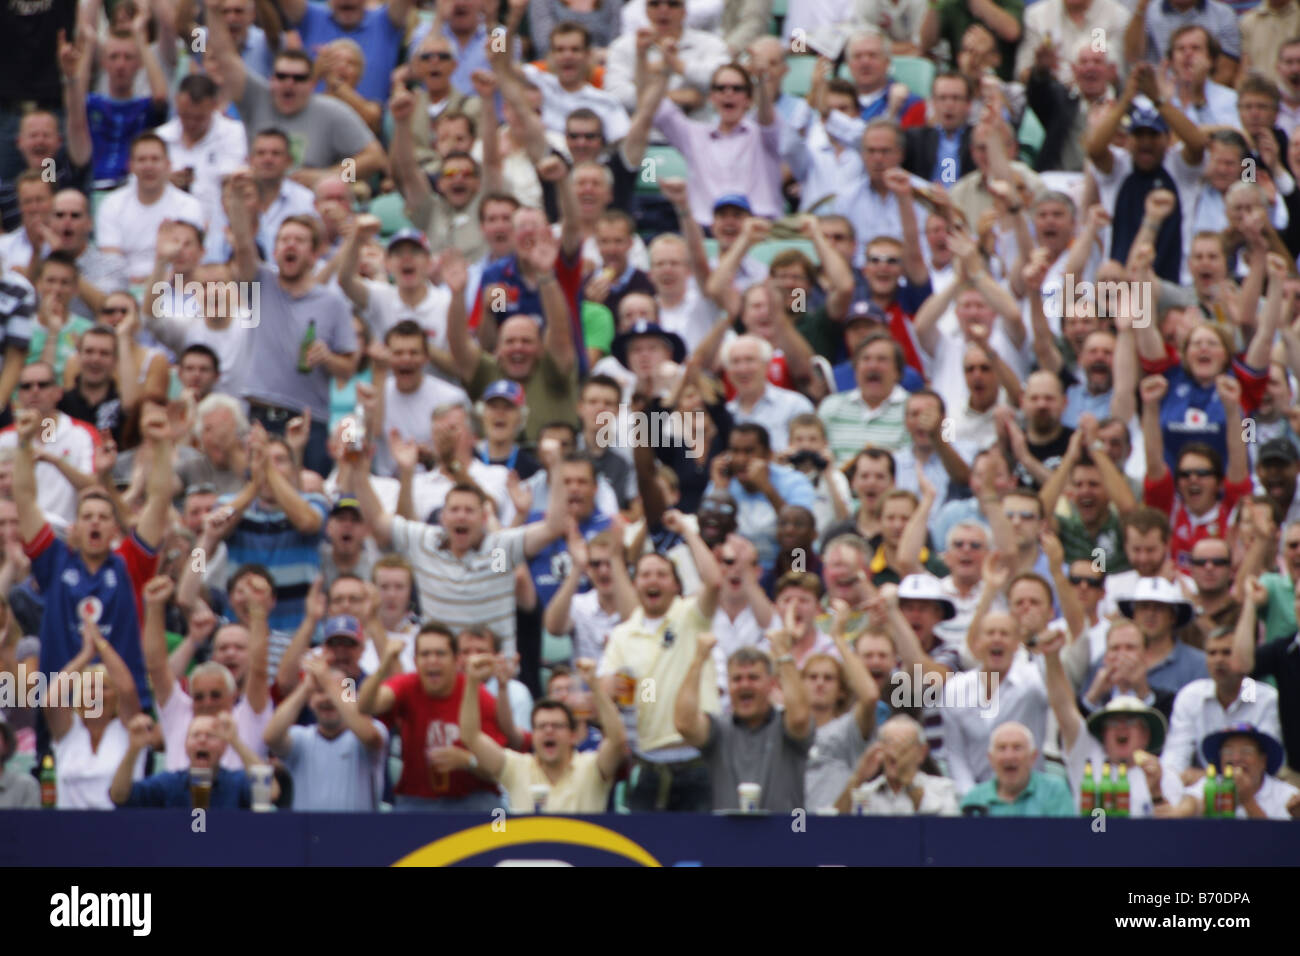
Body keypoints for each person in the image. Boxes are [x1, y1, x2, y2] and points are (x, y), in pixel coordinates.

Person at [358, 624, 507, 811]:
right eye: (425, 654)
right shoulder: (408, 685)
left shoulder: (478, 695)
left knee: (496, 816)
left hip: (473, 798)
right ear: (415, 661)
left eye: (440, 654)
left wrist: (467, 761)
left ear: (456, 660)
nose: (432, 661)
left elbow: (497, 770)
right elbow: (365, 706)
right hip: (417, 801)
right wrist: (385, 664)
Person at [1041, 630, 1183, 817]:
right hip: (1090, 841)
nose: (1121, 727)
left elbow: (1171, 833)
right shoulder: (1087, 756)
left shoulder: (1164, 776)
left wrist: (1156, 791)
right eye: (1113, 722)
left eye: (1131, 721)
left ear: (1146, 735)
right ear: (1103, 732)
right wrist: (1052, 658)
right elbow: (1063, 707)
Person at [675, 622, 814, 813]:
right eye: (737, 679)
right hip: (728, 838)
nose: (744, 685)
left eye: (753, 677)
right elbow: (684, 724)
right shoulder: (719, 729)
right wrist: (698, 659)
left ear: (771, 684)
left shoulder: (786, 724)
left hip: (788, 834)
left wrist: (783, 653)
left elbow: (799, 717)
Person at [459, 654, 625, 812]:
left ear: (572, 736)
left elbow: (616, 740)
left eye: (557, 726)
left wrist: (594, 685)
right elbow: (471, 737)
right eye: (541, 726)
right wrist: (472, 682)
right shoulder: (515, 768)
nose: (548, 730)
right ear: (534, 735)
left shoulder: (592, 767)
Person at [264, 655, 388, 811]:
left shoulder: (373, 729)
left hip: (358, 833)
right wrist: (306, 688)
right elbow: (270, 737)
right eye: (320, 691)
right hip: (308, 833)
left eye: (337, 692)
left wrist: (328, 683)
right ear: (310, 700)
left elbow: (370, 738)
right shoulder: (301, 738)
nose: (328, 699)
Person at [110, 712, 253, 809]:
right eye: (195, 735)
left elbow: (270, 791)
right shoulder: (169, 783)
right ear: (185, 746)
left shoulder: (236, 782)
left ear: (223, 747)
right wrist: (133, 750)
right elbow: (119, 797)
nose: (202, 740)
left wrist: (235, 742)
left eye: (211, 736)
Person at [841, 714, 961, 815]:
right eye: (889, 743)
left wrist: (910, 785)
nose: (895, 752)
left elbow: (943, 831)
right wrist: (858, 777)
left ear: (921, 753)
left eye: (903, 746)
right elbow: (838, 825)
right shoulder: (866, 793)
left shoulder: (943, 789)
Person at [1173, 724, 1300, 819]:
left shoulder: (1286, 795)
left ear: (1263, 760)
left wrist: (1247, 801)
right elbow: (1191, 800)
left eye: (1246, 751)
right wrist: (1189, 808)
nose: (1236, 758)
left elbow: (1275, 843)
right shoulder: (1209, 784)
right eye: (1228, 752)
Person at [958, 722, 1076, 816]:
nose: (1009, 756)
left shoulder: (1054, 791)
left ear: (1033, 757)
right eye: (1001, 748)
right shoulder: (974, 799)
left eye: (1017, 748)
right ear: (990, 758)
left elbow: (1066, 840)